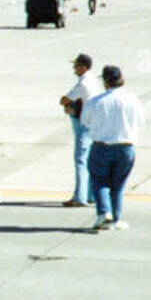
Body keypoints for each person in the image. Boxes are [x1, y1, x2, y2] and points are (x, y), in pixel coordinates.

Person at [81, 65, 144, 231]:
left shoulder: (96, 102)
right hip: (126, 147)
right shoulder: (133, 100)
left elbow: (85, 122)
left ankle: (104, 213)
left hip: (101, 146)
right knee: (118, 185)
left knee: (99, 181)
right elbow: (140, 121)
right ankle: (115, 218)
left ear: (106, 82)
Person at [59, 53, 100, 208]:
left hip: (83, 124)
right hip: (93, 123)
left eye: (76, 65)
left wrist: (66, 104)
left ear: (83, 67)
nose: (73, 68)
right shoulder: (93, 79)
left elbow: (65, 99)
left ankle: (80, 197)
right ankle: (90, 194)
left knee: (80, 160)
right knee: (89, 160)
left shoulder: (83, 83)